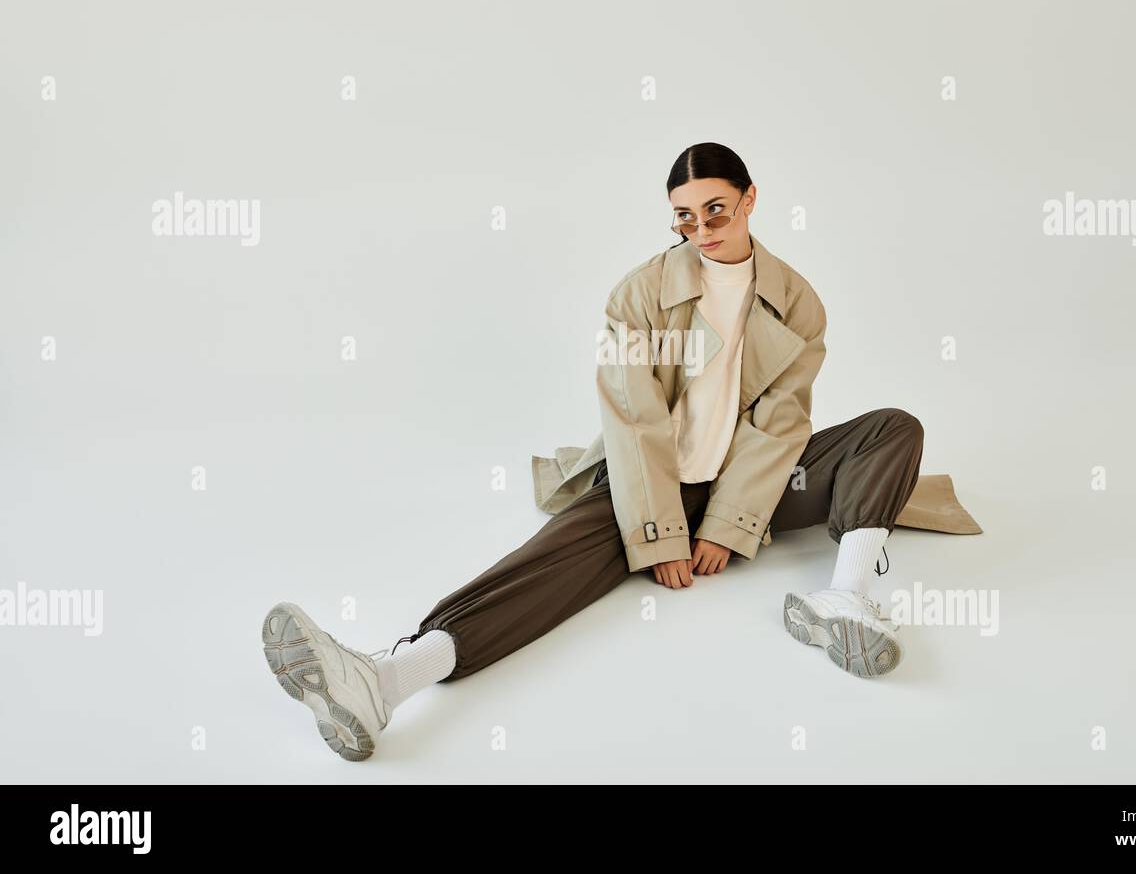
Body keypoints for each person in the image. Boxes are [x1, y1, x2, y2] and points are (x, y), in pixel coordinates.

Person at [261, 142, 924, 762]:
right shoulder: (638, 295)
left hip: (759, 482)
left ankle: (844, 599)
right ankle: (383, 681)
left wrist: (729, 524)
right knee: (544, 566)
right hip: (650, 482)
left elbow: (780, 425)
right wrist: (662, 532)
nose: (703, 229)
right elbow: (633, 416)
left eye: (716, 209)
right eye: (685, 218)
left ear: (751, 198)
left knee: (892, 429)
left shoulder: (797, 301)